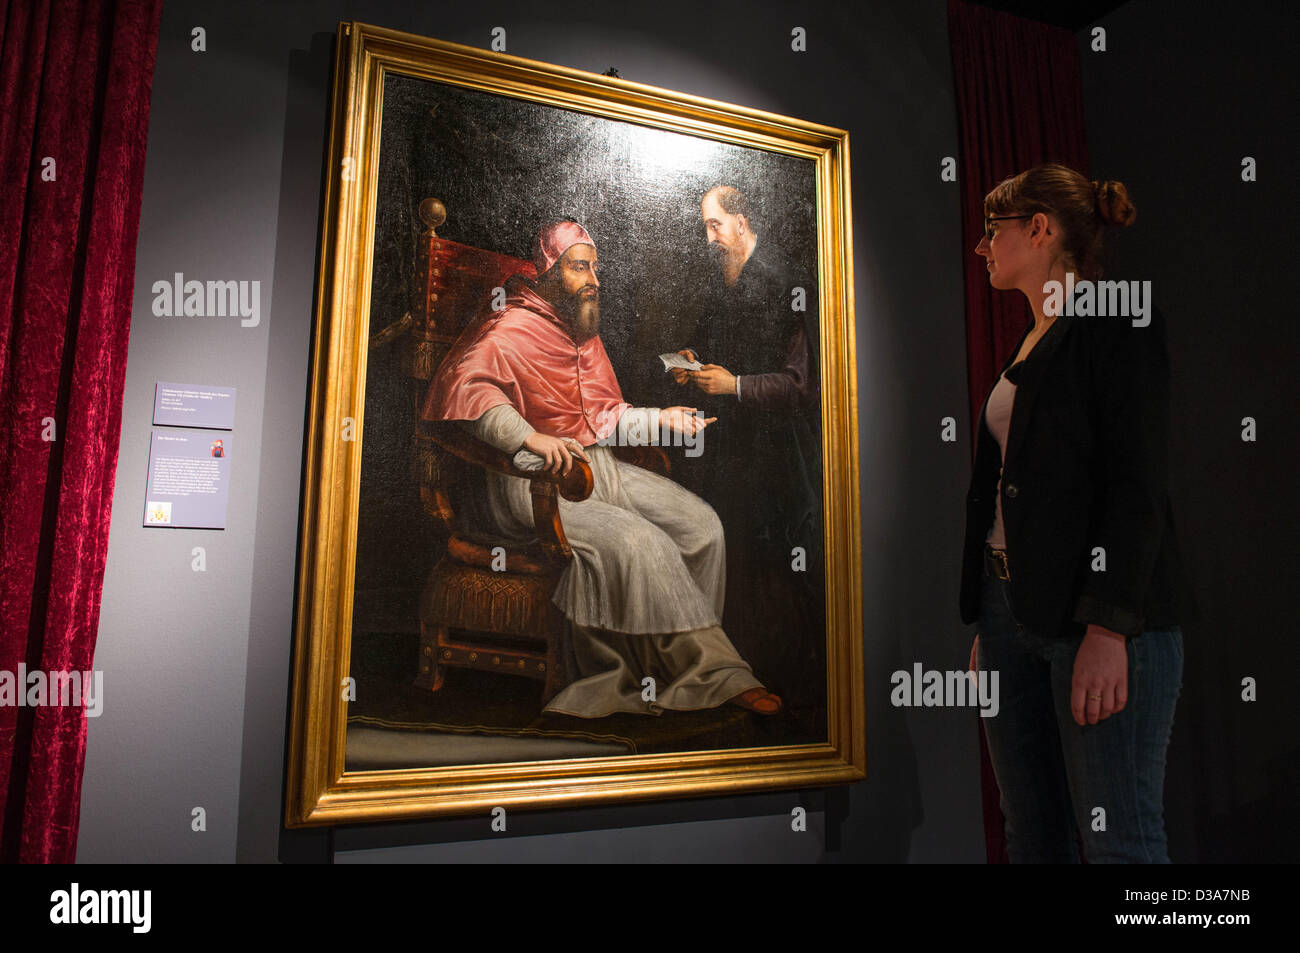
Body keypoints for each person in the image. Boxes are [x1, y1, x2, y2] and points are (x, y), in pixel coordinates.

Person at [422, 220, 783, 718]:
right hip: (530, 481)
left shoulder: (581, 333)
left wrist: (663, 420)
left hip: (597, 469)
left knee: (702, 526)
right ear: (548, 273)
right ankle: (712, 672)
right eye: (578, 267)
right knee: (641, 542)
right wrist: (529, 436)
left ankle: (665, 668)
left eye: (594, 267)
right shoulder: (508, 325)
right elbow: (471, 391)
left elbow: (603, 420)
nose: (593, 278)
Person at [961, 163, 1194, 863]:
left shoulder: (1115, 318)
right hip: (1013, 612)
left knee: (1118, 839)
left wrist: (1107, 627)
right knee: (1033, 836)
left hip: (1095, 618)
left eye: (992, 231)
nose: (983, 248)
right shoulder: (1031, 338)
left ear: (1040, 229)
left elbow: (1137, 484)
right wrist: (992, 616)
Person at [670, 185, 823, 700]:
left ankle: (789, 687)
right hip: (731, 450)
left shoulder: (787, 282)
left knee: (778, 567)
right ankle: (734, 680)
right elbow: (714, 345)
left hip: (779, 455)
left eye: (715, 224)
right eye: (704, 226)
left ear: (742, 221)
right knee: (728, 556)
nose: (708, 236)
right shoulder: (724, 280)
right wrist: (692, 361)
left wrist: (733, 385)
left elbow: (801, 387)